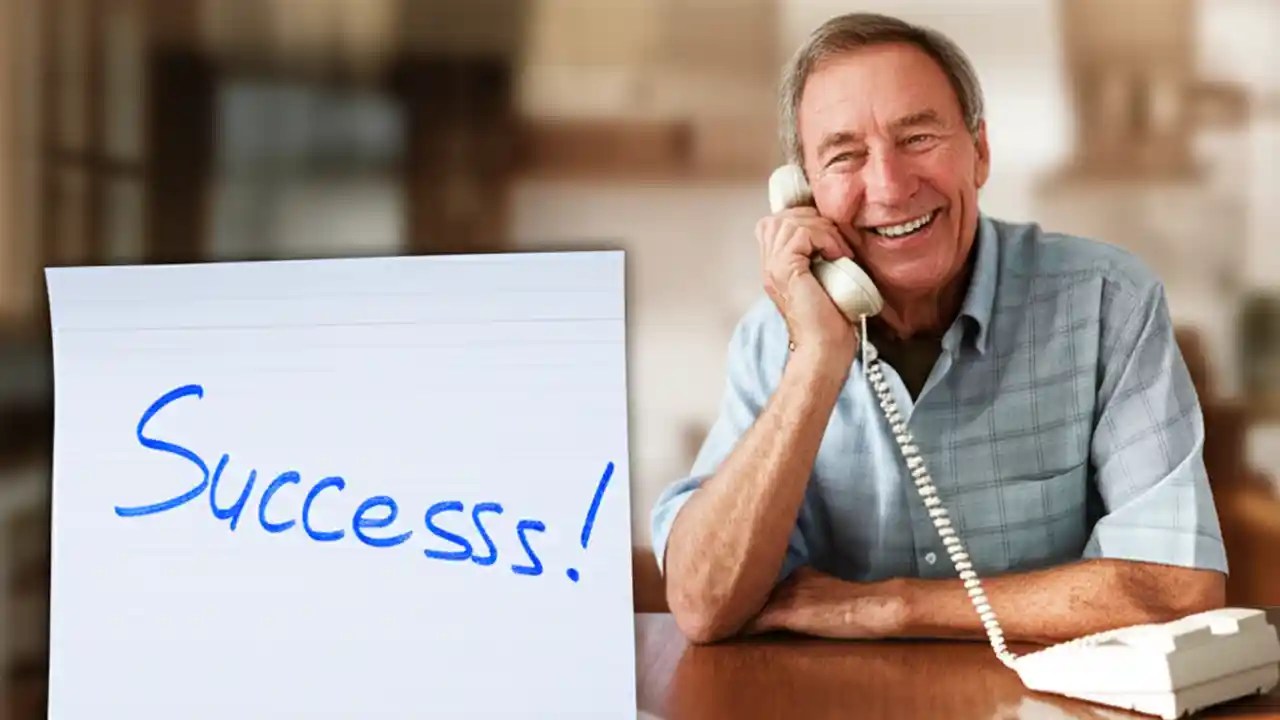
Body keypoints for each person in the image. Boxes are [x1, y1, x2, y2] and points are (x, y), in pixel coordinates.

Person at [650, 12, 1228, 646]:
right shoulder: (776, 337)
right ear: (803, 194)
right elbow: (704, 604)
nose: (891, 186)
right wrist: (815, 363)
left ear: (979, 152)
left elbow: (1177, 591)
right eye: (845, 156)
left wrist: (894, 607)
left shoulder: (1107, 303)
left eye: (918, 137)